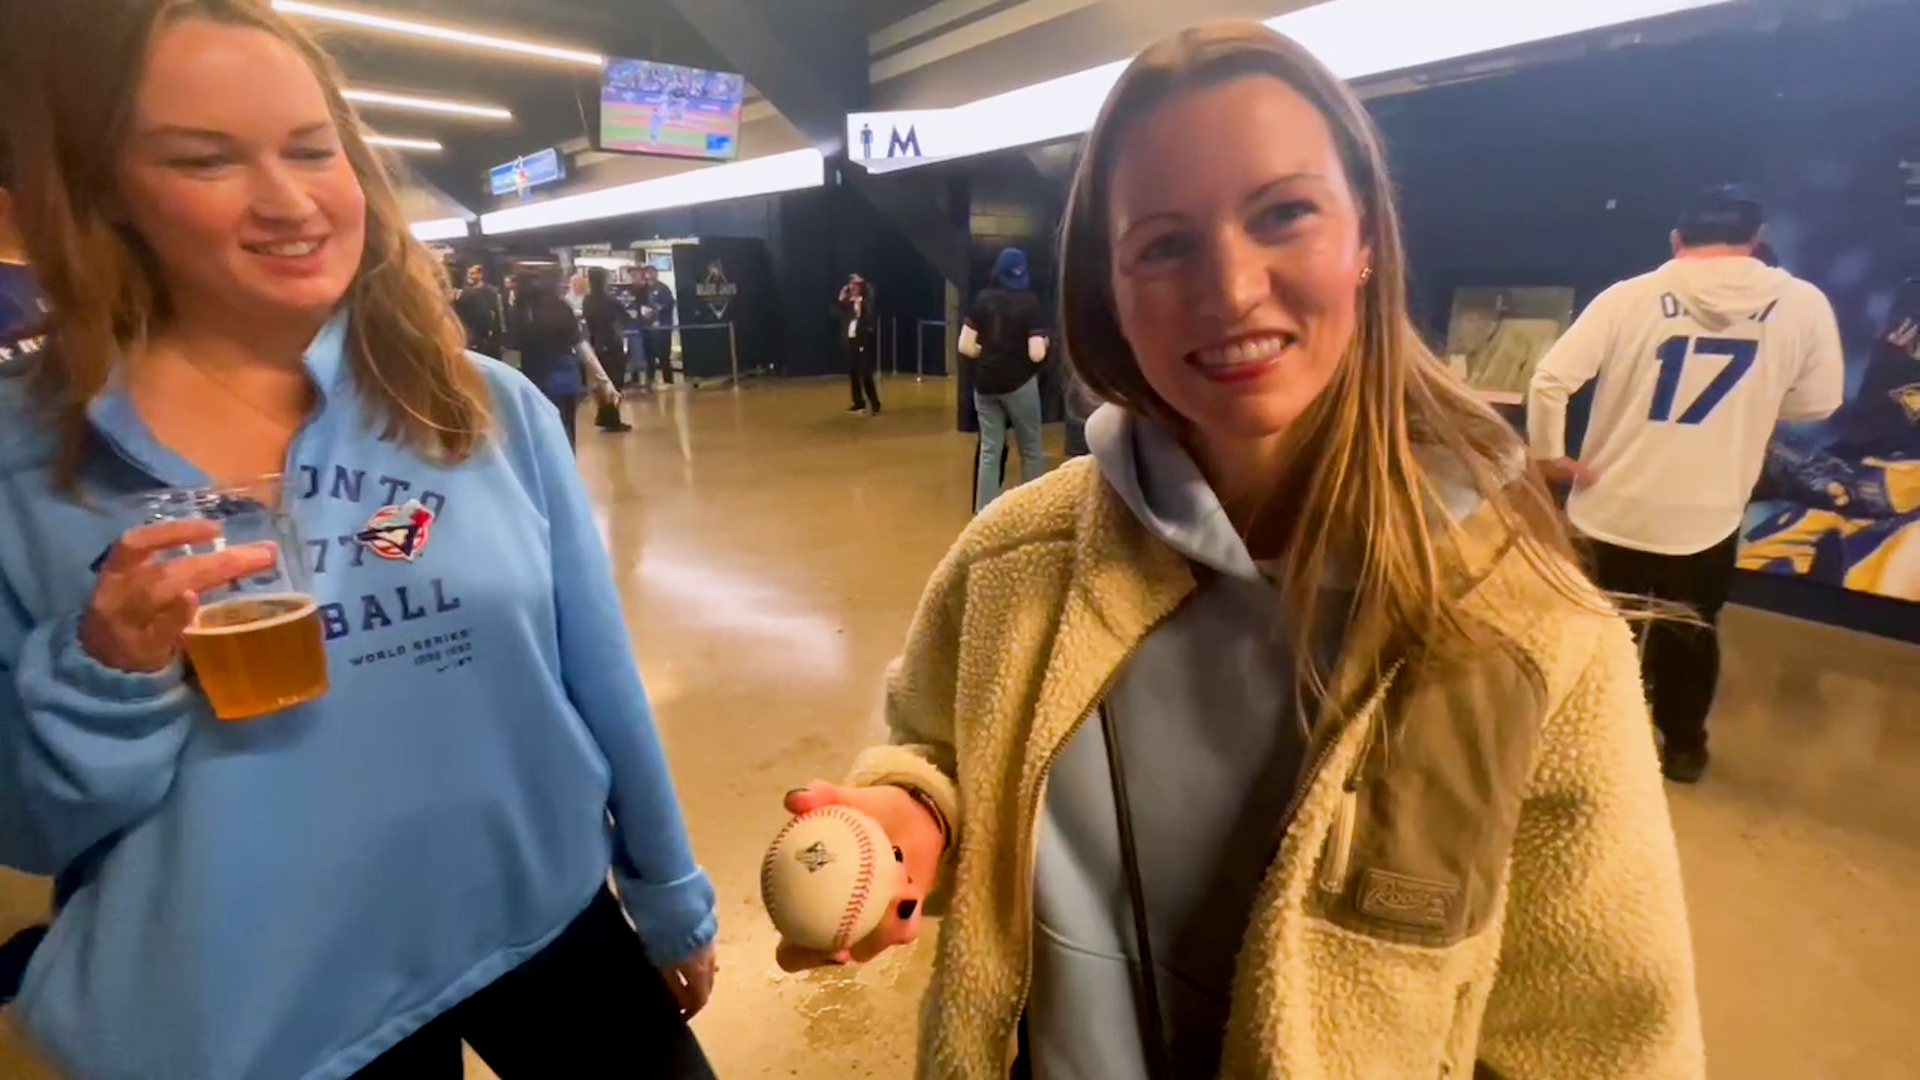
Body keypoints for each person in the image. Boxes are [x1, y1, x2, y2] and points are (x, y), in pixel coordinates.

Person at [775, 21, 1702, 1080]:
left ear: (1365, 241)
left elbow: (1602, 1043)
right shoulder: (1013, 563)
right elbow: (936, 747)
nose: (1231, 287)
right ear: (1111, 291)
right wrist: (908, 815)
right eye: (1164, 244)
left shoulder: (1529, 629)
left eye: (1284, 214)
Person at [0, 4, 718, 1079]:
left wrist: (666, 886)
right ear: (105, 193)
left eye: (310, 149)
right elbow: (32, 831)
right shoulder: (27, 468)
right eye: (205, 160)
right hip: (280, 1005)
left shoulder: (480, 406)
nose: (288, 202)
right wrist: (107, 671)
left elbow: (597, 673)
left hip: (541, 916)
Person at [1528, 187, 1844, 784]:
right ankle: (1682, 749)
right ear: (1756, 239)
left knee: (1596, 632)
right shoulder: (1802, 303)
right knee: (1690, 635)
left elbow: (1549, 381)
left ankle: (1577, 748)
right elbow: (1818, 402)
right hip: (1709, 512)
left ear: (1677, 241)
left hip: (1609, 504)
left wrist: (1549, 457)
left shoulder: (1629, 297)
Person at [959, 247, 1050, 510]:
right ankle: (1034, 509)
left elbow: (965, 346)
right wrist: (1044, 341)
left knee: (990, 450)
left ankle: (984, 511)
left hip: (985, 384)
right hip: (1019, 384)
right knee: (1031, 448)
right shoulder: (1031, 303)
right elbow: (1036, 355)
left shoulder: (982, 299)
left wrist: (985, 353)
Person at [511, 270, 618, 451]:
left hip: (536, 379)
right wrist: (604, 380)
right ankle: (568, 466)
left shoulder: (519, 313)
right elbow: (581, 345)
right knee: (567, 427)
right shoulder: (561, 307)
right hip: (567, 378)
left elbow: (512, 351)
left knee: (541, 434)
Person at [581, 267, 634, 433]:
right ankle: (613, 418)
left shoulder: (587, 301)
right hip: (611, 343)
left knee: (603, 381)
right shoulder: (610, 302)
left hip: (596, 343)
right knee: (615, 381)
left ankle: (606, 416)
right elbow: (625, 317)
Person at [838, 273, 879, 415]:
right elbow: (836, 309)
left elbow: (869, 317)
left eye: (855, 285)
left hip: (864, 341)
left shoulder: (867, 302)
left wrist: (859, 306)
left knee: (865, 373)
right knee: (853, 373)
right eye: (851, 285)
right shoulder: (847, 304)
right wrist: (842, 297)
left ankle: (875, 403)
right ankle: (858, 403)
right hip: (851, 342)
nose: (852, 288)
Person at [634, 263, 676, 390]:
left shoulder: (663, 288)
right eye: (646, 272)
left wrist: (656, 310)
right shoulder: (642, 290)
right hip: (647, 328)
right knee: (649, 357)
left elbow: (669, 304)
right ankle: (649, 382)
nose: (648, 275)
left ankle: (668, 381)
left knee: (664, 356)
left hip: (662, 327)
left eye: (651, 272)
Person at [452, 263, 506, 359]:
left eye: (473, 273)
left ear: (480, 275)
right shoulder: (465, 293)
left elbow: (498, 313)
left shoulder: (491, 291)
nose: (470, 276)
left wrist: (499, 335)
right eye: (469, 273)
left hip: (488, 336)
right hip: (471, 334)